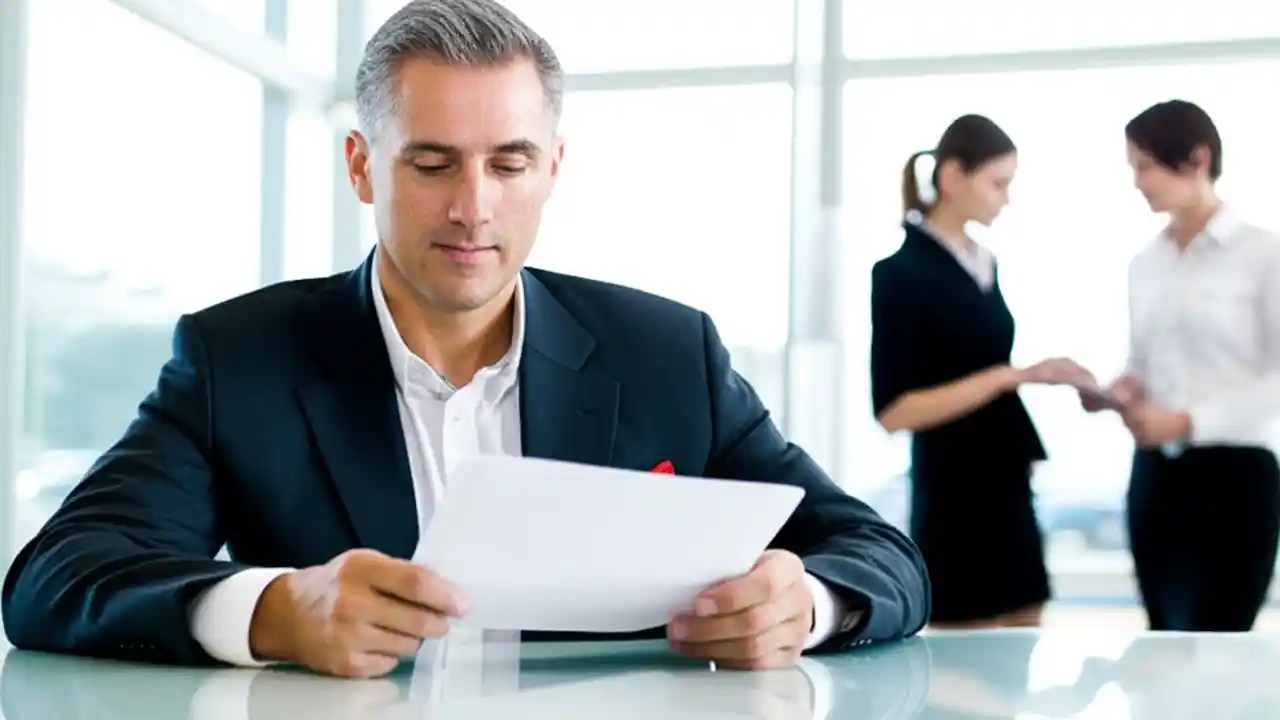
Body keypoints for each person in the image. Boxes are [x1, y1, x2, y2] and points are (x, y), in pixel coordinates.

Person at [1, 0, 928, 678]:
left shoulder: (666, 353)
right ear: (363, 165)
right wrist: (276, 611)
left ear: (553, 168)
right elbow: (55, 578)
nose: (473, 208)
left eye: (509, 163)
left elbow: (878, 553)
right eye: (432, 162)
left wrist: (806, 604)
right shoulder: (237, 360)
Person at [870, 115, 1092, 629]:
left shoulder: (986, 263)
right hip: (952, 497)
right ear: (952, 178)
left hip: (1007, 486)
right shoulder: (899, 274)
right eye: (999, 183)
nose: (1006, 199)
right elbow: (894, 411)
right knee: (957, 672)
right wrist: (1010, 376)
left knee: (1022, 638)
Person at [1081, 100, 1280, 631]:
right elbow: (1141, 363)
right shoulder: (1145, 264)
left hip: (1237, 480)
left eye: (1144, 166)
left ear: (1196, 159)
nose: (1137, 182)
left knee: (1220, 649)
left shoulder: (1264, 254)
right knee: (1163, 644)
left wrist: (1187, 421)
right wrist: (1120, 391)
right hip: (1157, 480)